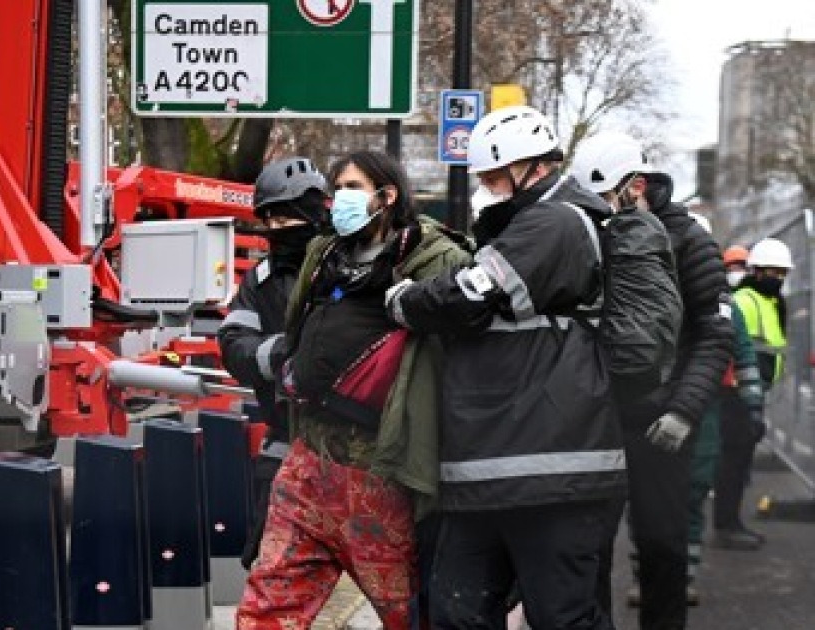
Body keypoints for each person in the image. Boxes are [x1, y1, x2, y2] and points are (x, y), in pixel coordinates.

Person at [386, 106, 622, 629]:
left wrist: (403, 300)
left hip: (550, 465)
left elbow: (468, 295)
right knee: (456, 612)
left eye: (494, 177)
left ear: (530, 167)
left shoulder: (557, 221)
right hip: (496, 463)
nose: (487, 188)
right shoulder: (523, 223)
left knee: (561, 618)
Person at [236, 150, 471, 630]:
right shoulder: (324, 256)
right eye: (337, 188)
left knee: (409, 611)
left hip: (380, 470)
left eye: (353, 187)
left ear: (387, 195)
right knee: (267, 606)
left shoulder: (435, 258)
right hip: (309, 462)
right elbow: (293, 328)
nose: (341, 198)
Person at [571, 131, 733, 628]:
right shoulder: (587, 232)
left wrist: (684, 410)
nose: (597, 209)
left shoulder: (688, 239)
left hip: (661, 418)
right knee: (587, 549)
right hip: (595, 415)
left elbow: (714, 332)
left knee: (663, 543)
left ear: (636, 186)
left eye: (604, 197)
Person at [217, 156, 327, 569]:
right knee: (268, 563)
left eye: (285, 220)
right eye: (271, 222)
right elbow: (234, 344)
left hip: (356, 451)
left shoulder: (347, 266)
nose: (277, 231)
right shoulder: (261, 280)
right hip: (286, 440)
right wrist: (284, 353)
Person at [683, 242, 764, 605]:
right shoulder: (656, 294)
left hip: (710, 403)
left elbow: (743, 351)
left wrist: (753, 404)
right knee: (651, 495)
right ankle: (646, 576)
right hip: (663, 403)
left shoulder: (726, 305)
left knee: (696, 486)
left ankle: (684, 576)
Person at [714, 237, 791, 547]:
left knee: (739, 462)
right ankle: (727, 526)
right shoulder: (745, 300)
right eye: (774, 272)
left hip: (753, 393)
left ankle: (731, 522)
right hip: (737, 394)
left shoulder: (770, 302)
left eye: (783, 273)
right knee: (732, 462)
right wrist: (748, 399)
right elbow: (736, 349)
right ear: (756, 271)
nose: (779, 278)